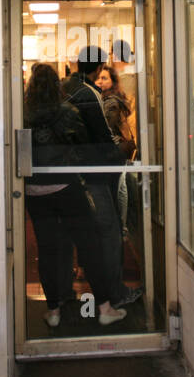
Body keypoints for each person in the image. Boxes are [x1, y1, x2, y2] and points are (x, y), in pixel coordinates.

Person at [24, 63, 127, 328]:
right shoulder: (67, 112)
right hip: (66, 188)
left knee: (48, 250)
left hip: (34, 192)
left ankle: (54, 311)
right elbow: (85, 148)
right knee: (89, 246)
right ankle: (104, 308)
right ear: (56, 84)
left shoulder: (22, 114)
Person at [62, 47, 140, 310]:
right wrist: (123, 149)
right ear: (98, 68)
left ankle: (87, 294)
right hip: (93, 173)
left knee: (88, 234)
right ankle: (114, 294)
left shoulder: (67, 87)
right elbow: (101, 139)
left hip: (71, 173)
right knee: (110, 233)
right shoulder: (89, 93)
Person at [94, 64, 135, 161]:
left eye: (104, 78)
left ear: (113, 82)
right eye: (98, 78)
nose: (100, 81)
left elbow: (106, 127)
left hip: (115, 148)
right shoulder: (113, 97)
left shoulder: (112, 102)